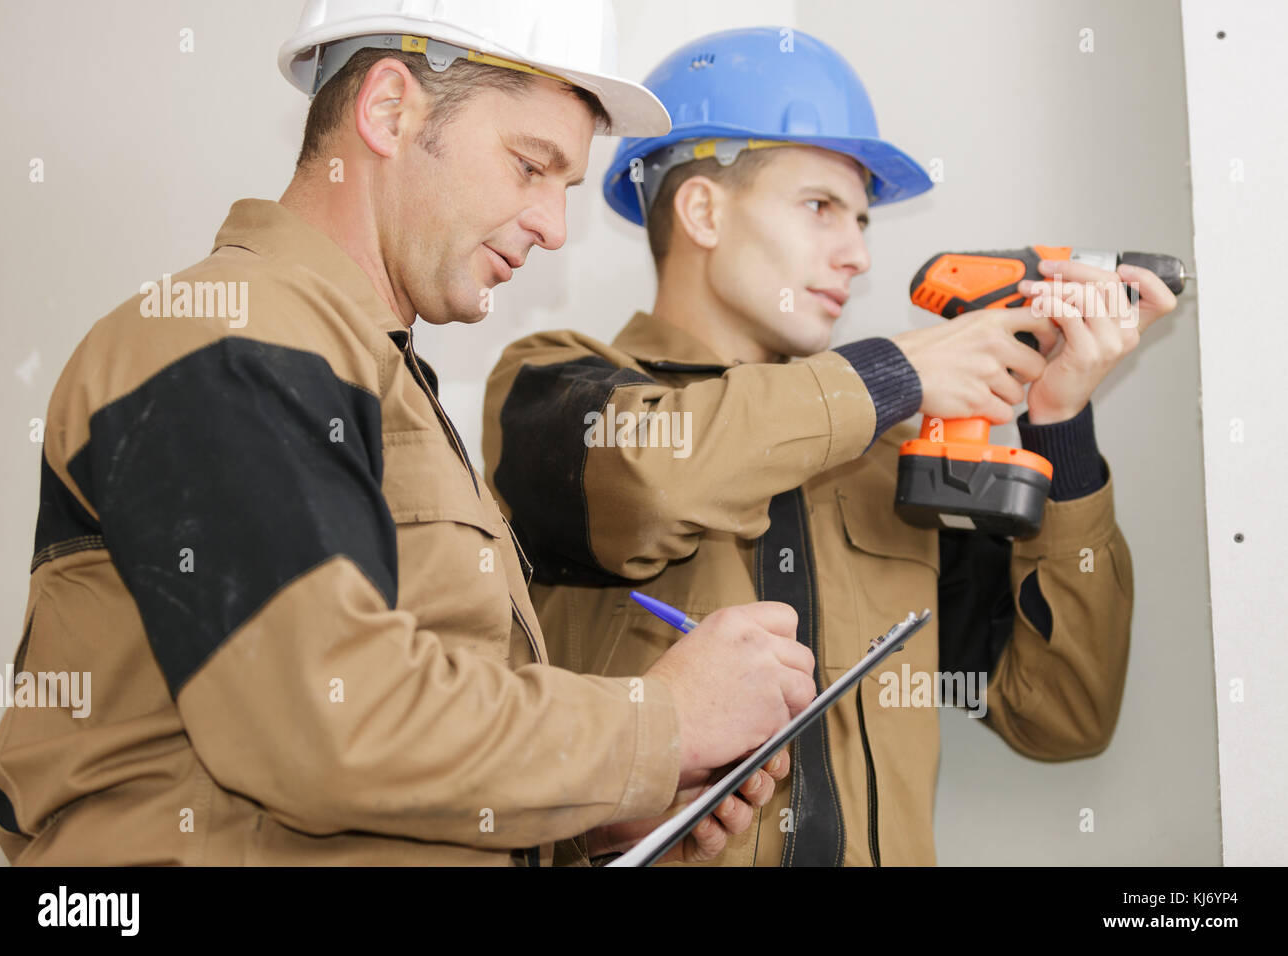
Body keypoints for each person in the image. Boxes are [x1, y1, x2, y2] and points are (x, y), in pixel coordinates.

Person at [0, 1, 817, 867]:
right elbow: (323, 723)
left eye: (565, 188)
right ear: (389, 110)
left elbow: (392, 768)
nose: (553, 226)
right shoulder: (228, 340)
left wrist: (589, 823)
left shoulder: (372, 380)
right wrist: (665, 724)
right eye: (531, 166)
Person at [482, 27, 1179, 866]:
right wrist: (897, 375)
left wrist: (1059, 426)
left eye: (861, 220)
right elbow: (653, 483)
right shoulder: (555, 385)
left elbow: (1063, 714)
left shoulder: (884, 461)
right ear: (703, 209)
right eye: (820, 208)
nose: (857, 254)